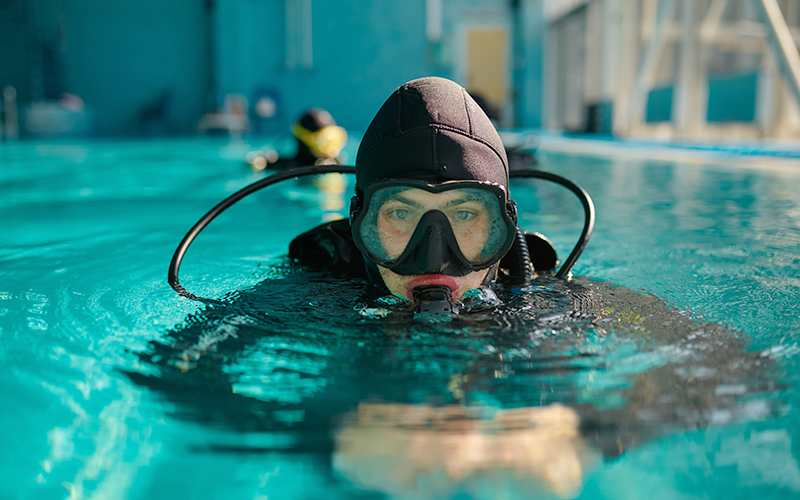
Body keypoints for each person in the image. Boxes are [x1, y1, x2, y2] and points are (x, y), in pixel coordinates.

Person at [289, 77, 556, 313]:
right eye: (401, 213)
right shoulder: (306, 296)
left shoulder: (553, 306)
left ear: (502, 227)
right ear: (360, 221)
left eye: (465, 214)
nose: (434, 260)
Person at [247, 107, 348, 171]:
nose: (332, 150)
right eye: (324, 141)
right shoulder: (284, 166)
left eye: (336, 140)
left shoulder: (336, 163)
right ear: (306, 139)